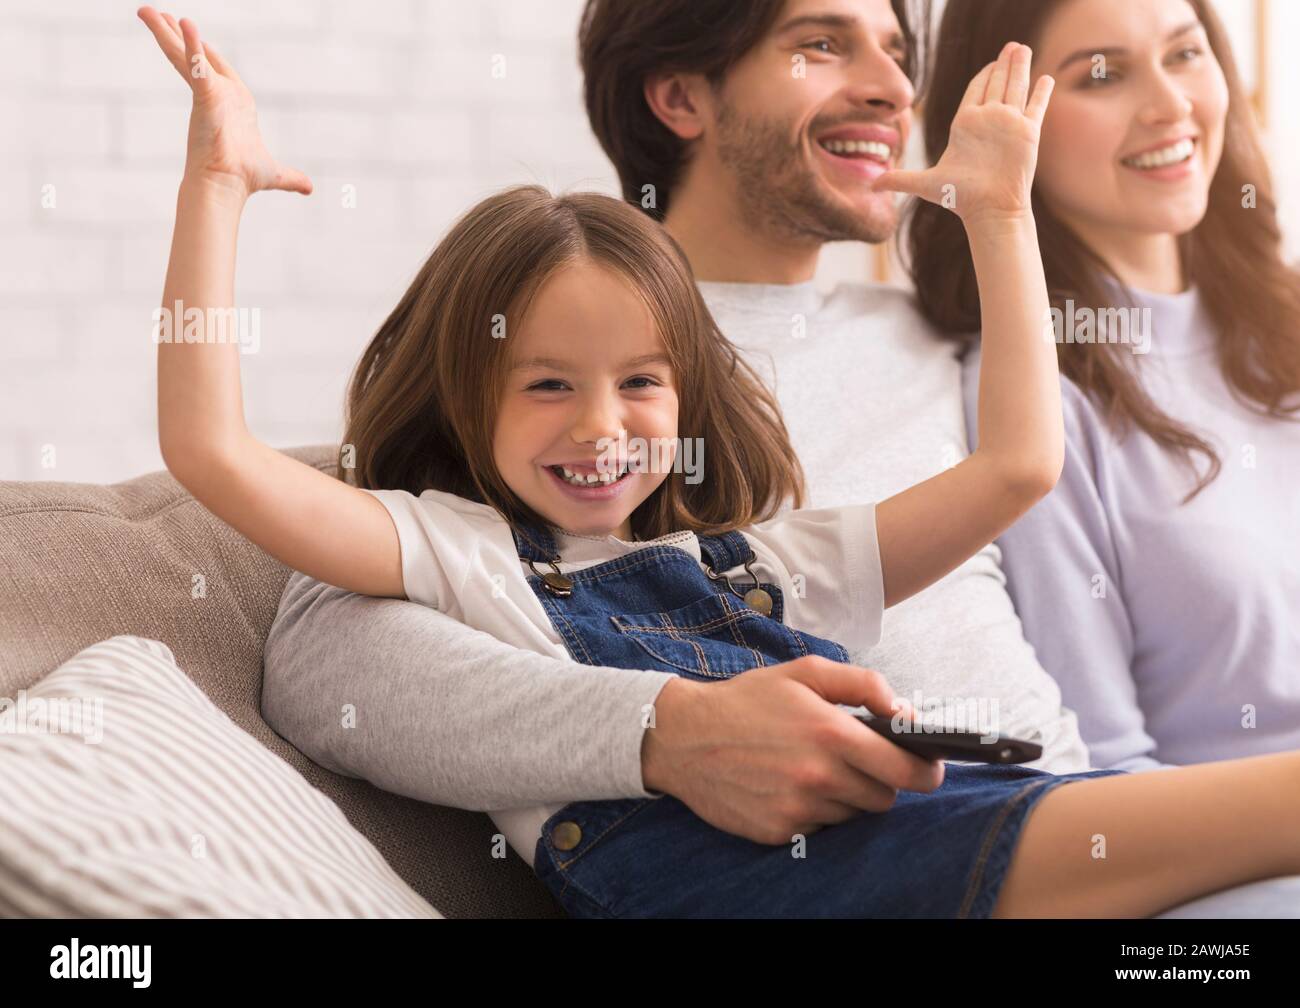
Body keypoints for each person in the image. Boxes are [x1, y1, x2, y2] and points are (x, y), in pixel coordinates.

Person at [140, 5, 1300, 918]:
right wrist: (668, 730)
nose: (896, 85)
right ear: (680, 93)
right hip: (830, 860)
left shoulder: (917, 362)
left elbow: (1016, 467)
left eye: (898, 49)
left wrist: (1000, 219)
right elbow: (313, 638)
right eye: (820, 41)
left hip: (1028, 816)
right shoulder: (514, 409)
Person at [908, 0, 1300, 775]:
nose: (1170, 105)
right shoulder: (1031, 403)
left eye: (1186, 54)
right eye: (1102, 75)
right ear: (1001, 122)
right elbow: (1103, 776)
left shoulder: (1281, 320)